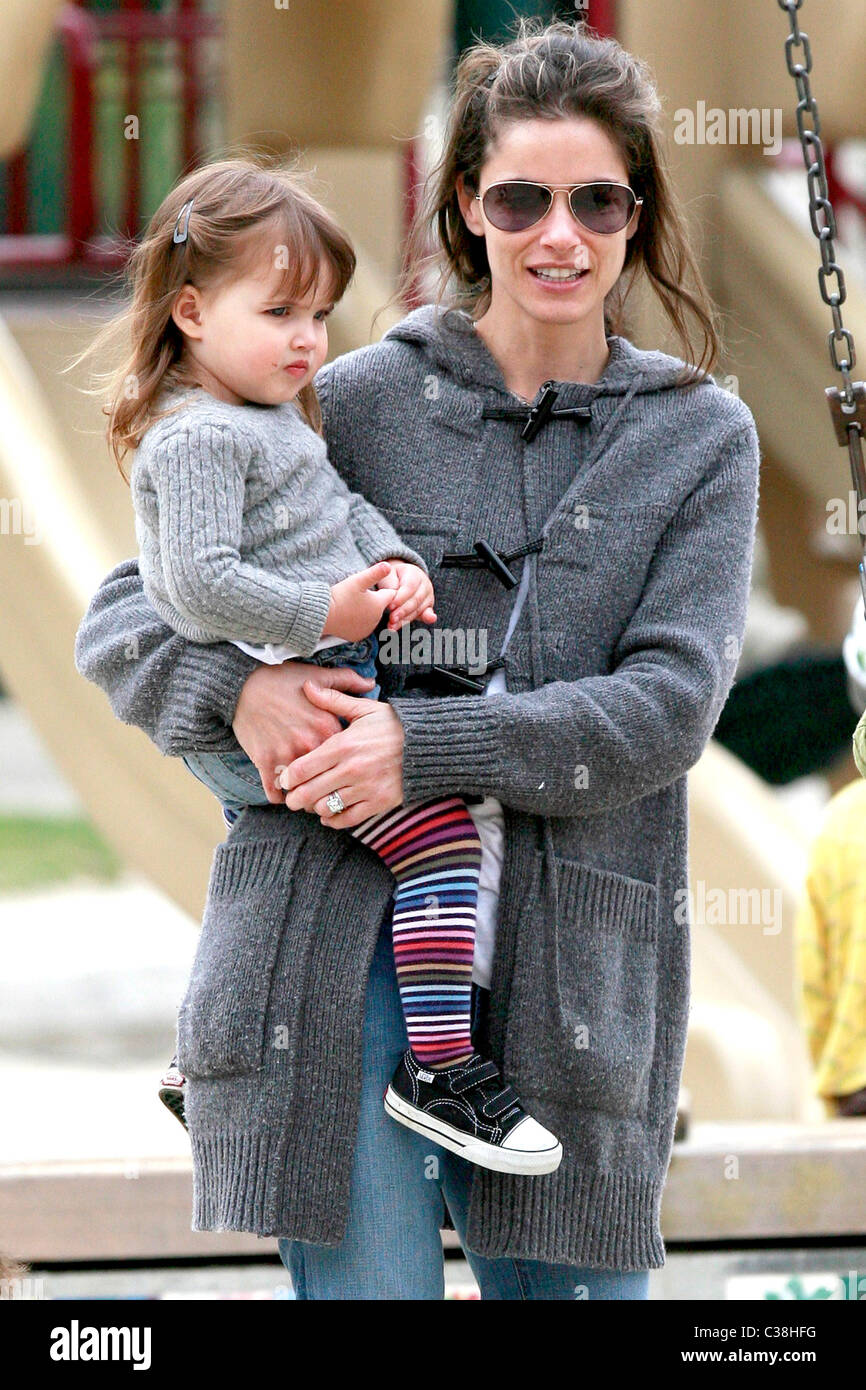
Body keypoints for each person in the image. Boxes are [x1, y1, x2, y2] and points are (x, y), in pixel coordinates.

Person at [74, 16, 761, 1299]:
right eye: (519, 197)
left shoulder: (698, 438)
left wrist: (420, 743)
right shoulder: (358, 393)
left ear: (635, 211)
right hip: (333, 959)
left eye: (596, 200)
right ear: (465, 206)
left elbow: (664, 710)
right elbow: (127, 611)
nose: (558, 234)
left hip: (572, 979)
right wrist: (245, 685)